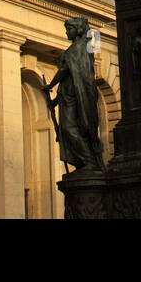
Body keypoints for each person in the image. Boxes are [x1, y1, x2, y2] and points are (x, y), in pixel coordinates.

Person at [44, 16, 104, 170]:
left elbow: (65, 70)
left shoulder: (77, 48)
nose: (66, 33)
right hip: (69, 95)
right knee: (71, 128)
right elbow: (70, 80)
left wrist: (50, 84)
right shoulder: (81, 48)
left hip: (75, 95)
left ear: (77, 31)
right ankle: (83, 161)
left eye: (69, 29)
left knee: (69, 128)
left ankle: (88, 160)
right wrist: (55, 101)